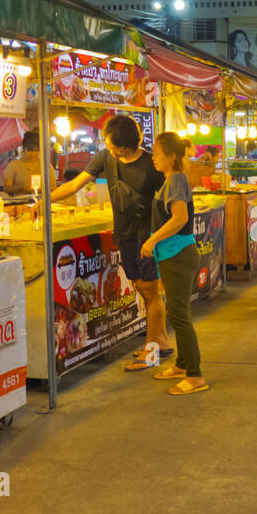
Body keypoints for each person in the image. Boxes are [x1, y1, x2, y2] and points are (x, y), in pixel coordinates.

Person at [51, 115, 171, 371]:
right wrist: (45, 200)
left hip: (147, 237)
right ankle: (161, 340)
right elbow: (74, 185)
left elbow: (169, 201)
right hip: (125, 235)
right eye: (110, 146)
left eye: (117, 148)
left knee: (151, 291)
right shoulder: (106, 157)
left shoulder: (152, 164)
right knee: (143, 289)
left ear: (129, 146)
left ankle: (151, 351)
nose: (112, 151)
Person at [141, 132, 207, 395]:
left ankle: (195, 375)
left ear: (170, 156)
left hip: (178, 254)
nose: (153, 158)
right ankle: (182, 365)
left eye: (156, 153)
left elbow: (179, 218)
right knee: (177, 311)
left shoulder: (177, 179)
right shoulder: (170, 179)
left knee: (179, 315)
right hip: (171, 254)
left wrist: (152, 240)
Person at [2, 130, 43, 195]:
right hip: (21, 202)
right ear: (24, 149)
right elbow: (6, 188)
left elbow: (52, 187)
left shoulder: (45, 166)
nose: (33, 154)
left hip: (41, 201)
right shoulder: (14, 165)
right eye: (30, 150)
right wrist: (21, 187)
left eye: (37, 151)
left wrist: (41, 189)